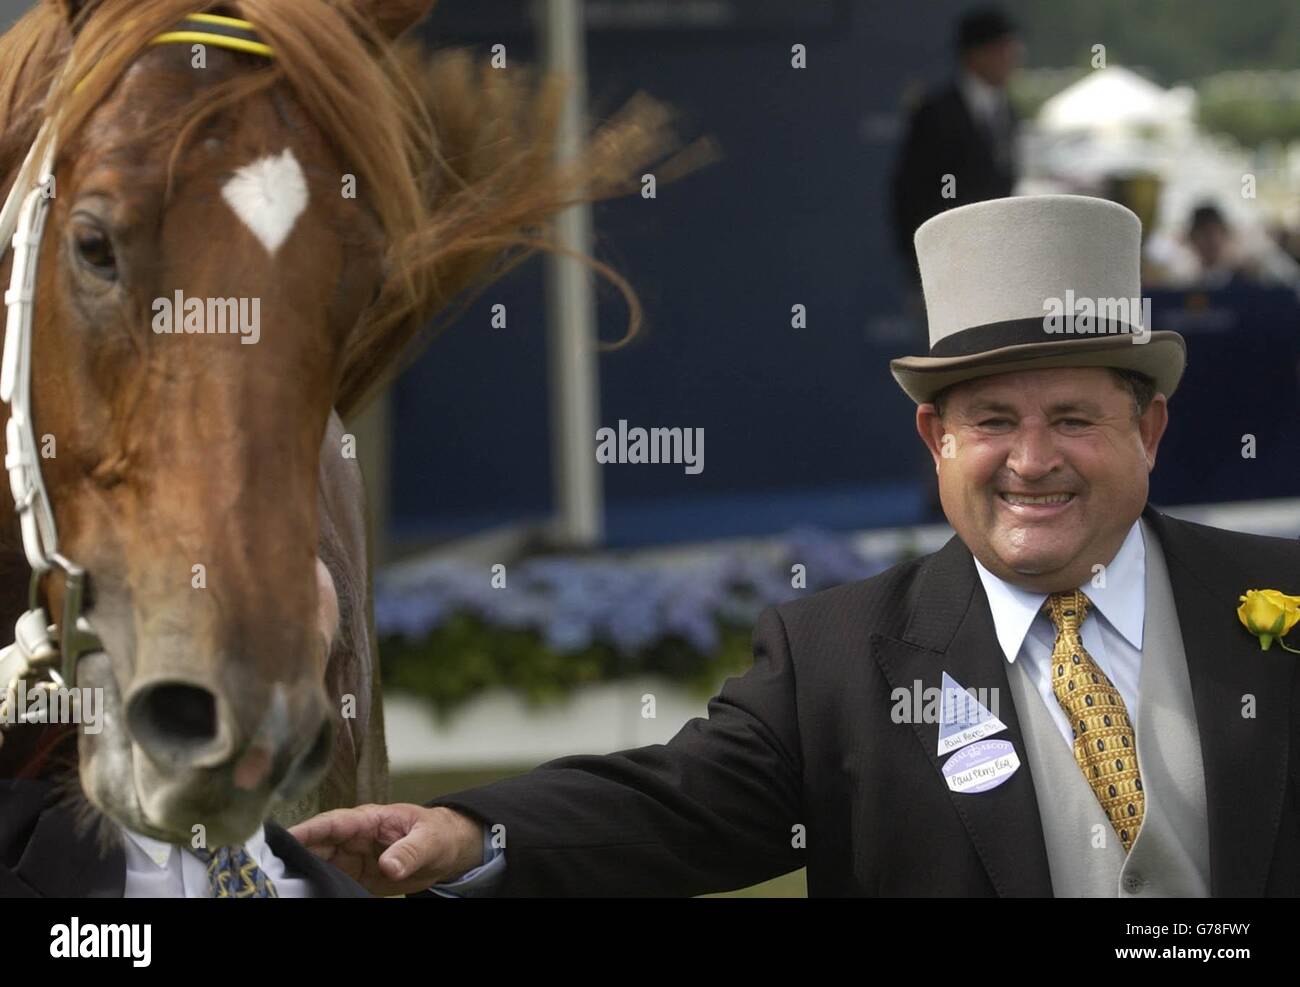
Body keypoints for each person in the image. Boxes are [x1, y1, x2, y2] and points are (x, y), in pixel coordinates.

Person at [293, 195, 1300, 897]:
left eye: (1073, 417)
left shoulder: (1280, 603)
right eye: (991, 419)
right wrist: (471, 833)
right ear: (935, 442)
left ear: (1150, 434)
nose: (1030, 460)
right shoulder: (837, 662)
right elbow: (672, 808)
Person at [890, 6, 1022, 288]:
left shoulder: (1008, 111)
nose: (1013, 56)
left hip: (996, 271)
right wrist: (926, 266)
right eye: (1002, 47)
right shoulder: (935, 113)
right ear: (975, 55)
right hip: (945, 271)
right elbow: (909, 193)